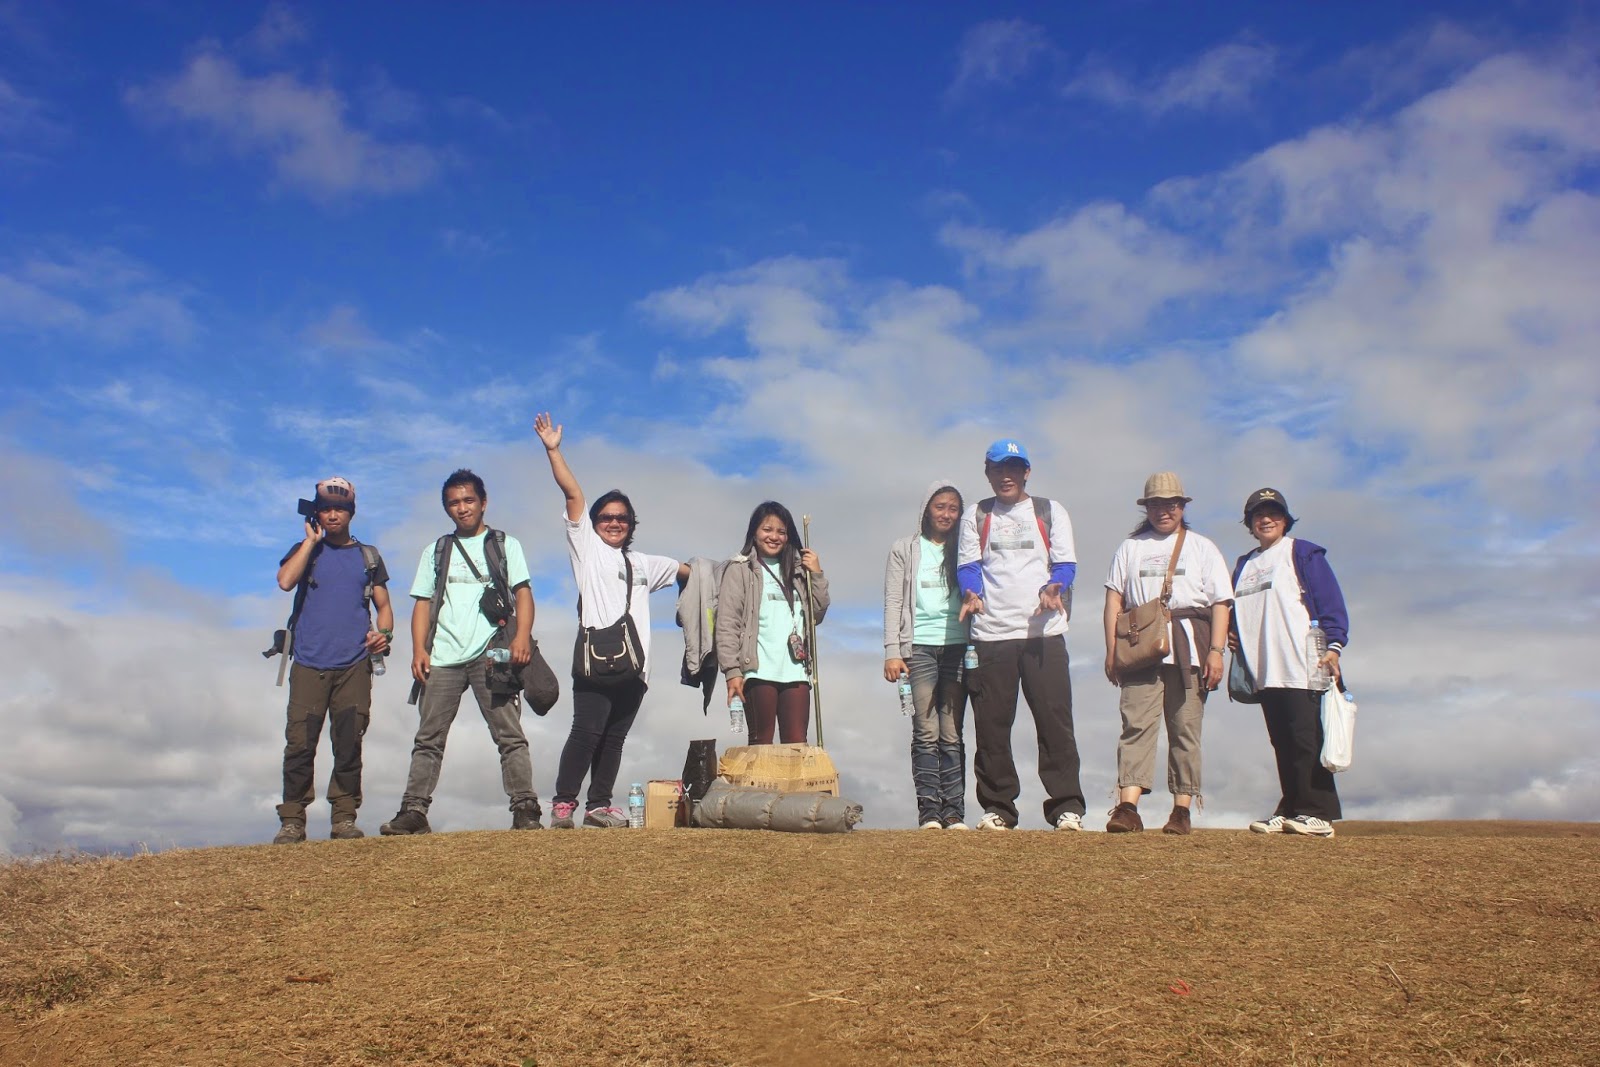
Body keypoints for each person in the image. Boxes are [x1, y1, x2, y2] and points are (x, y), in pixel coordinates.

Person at [534, 412, 690, 829]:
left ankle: (598, 805)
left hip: (636, 667)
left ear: (631, 525)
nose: (615, 522)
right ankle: (564, 803)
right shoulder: (586, 547)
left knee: (615, 738)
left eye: (622, 518)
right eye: (607, 517)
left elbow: (689, 572)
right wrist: (554, 451)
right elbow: (573, 495)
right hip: (595, 658)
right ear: (595, 523)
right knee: (586, 732)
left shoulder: (643, 563)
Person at [380, 470, 542, 834]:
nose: (462, 508)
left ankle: (525, 808)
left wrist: (522, 637)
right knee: (428, 738)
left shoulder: (505, 544)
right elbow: (422, 603)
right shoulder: (436, 550)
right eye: (454, 503)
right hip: (443, 658)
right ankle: (413, 812)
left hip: (492, 654)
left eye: (469, 500)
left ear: (484, 503)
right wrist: (419, 649)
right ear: (446, 509)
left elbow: (523, 593)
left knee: (509, 735)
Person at [956, 439, 1087, 831]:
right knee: (992, 725)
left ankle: (1067, 806)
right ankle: (999, 807)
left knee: (1055, 721)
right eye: (998, 468)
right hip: (991, 635)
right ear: (988, 473)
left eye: (1014, 467)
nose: (1006, 475)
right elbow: (968, 565)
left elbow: (1065, 563)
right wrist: (972, 593)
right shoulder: (976, 515)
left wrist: (1055, 588)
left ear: (1027, 471)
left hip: (1043, 634)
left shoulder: (1050, 511)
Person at [1101, 473, 1233, 836]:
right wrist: (1112, 651)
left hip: (1190, 646)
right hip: (1139, 646)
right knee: (1136, 724)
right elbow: (1114, 600)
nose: (1165, 511)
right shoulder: (1130, 548)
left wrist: (1217, 652)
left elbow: (1221, 602)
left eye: (1171, 504)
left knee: (1185, 727)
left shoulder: (1202, 547)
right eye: (1157, 504)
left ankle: (1182, 809)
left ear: (1182, 507)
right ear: (1147, 508)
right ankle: (1127, 807)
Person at [272, 477, 393, 843]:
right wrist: (310, 541)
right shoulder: (304, 550)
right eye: (325, 508)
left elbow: (384, 608)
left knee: (348, 741)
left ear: (351, 513)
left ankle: (343, 818)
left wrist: (383, 636)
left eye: (339, 508)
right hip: (309, 662)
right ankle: (292, 819)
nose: (332, 514)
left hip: (354, 664)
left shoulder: (367, 557)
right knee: (300, 742)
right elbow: (284, 581)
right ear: (316, 513)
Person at [1230, 487, 1350, 839]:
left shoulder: (1303, 553)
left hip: (1303, 662)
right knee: (1282, 741)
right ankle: (1292, 807)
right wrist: (1233, 635)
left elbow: (1330, 602)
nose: (1266, 519)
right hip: (1266, 669)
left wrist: (1335, 645)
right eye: (1258, 515)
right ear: (1250, 523)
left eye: (1274, 513)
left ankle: (1318, 813)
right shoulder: (1245, 564)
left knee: (1306, 738)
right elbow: (1240, 609)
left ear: (1285, 518)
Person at [883, 480, 970, 830]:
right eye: (940, 506)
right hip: (918, 647)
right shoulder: (904, 548)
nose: (946, 514)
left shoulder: (966, 548)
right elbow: (892, 600)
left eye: (953, 508)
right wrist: (892, 651)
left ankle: (954, 811)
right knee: (925, 730)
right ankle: (929, 812)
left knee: (952, 732)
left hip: (959, 646)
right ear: (926, 510)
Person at [717, 502, 830, 745]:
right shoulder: (740, 569)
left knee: (797, 744)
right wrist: (732, 672)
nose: (774, 537)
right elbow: (727, 624)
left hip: (797, 671)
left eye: (781, 531)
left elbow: (817, 614)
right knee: (761, 743)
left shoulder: (800, 570)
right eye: (767, 529)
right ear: (754, 532)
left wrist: (817, 574)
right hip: (757, 671)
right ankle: (760, 786)